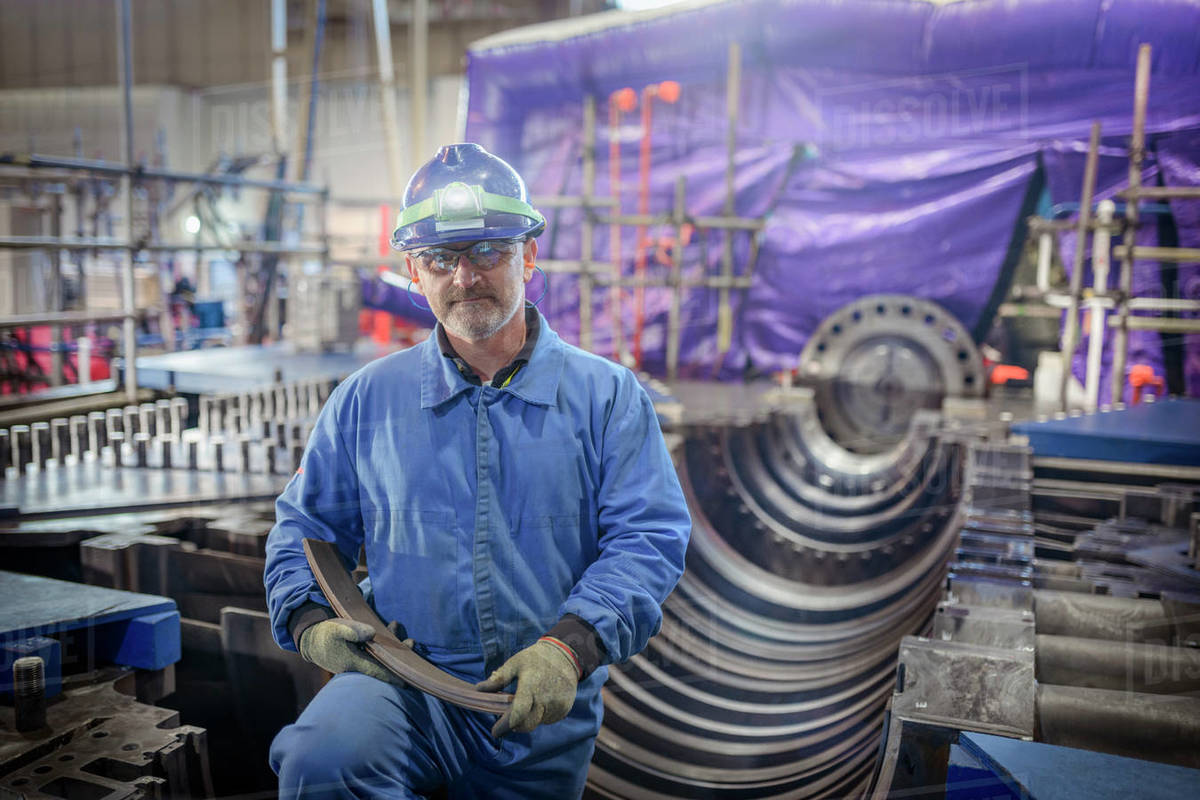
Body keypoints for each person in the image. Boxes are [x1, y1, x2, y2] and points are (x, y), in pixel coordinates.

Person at [263, 143, 691, 799]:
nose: (465, 277)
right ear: (414, 269)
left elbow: (648, 537)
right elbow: (305, 526)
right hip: (406, 686)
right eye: (440, 259)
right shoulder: (368, 400)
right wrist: (307, 618)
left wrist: (569, 648)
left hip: (538, 701)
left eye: (487, 251)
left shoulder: (605, 397)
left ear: (528, 255)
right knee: (324, 761)